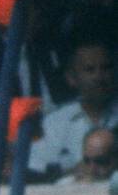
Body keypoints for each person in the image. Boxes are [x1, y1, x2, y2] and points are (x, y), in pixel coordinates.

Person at [29, 40, 117, 179]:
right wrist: (72, 171)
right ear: (71, 78)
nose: (99, 76)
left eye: (106, 68)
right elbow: (36, 174)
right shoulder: (53, 124)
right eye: (90, 70)